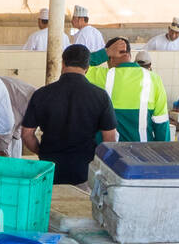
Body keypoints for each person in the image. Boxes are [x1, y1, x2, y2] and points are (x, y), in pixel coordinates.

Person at [22, 43, 116, 184]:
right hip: (84, 171)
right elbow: (109, 138)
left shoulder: (41, 94)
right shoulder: (100, 96)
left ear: (63, 63)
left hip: (49, 171)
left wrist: (42, 152)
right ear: (87, 67)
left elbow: (26, 134)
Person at [87, 37, 169, 142]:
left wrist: (105, 53)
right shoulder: (154, 79)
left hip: (110, 153)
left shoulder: (105, 77)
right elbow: (161, 123)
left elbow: (76, 66)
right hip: (142, 152)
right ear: (130, 55)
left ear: (110, 59)